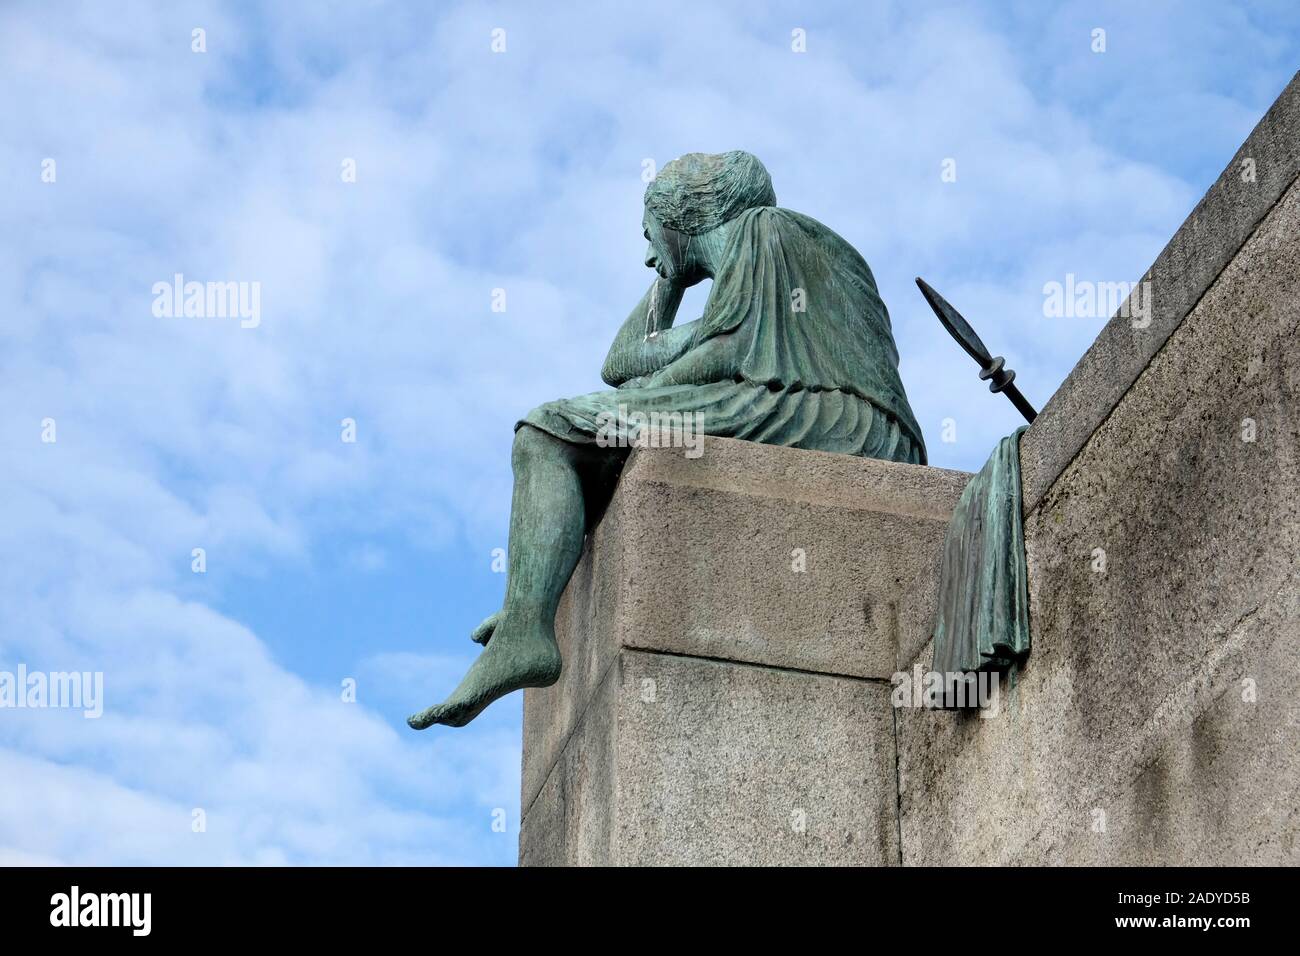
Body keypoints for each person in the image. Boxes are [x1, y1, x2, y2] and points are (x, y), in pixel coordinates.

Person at [409, 151, 925, 729]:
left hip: (824, 414)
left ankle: (527, 633)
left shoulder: (765, 228)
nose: (648, 254)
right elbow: (621, 362)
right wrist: (670, 277)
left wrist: (640, 393)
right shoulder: (746, 262)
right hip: (820, 410)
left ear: (682, 220)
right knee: (592, 442)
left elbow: (729, 353)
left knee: (548, 430)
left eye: (652, 237)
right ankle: (533, 593)